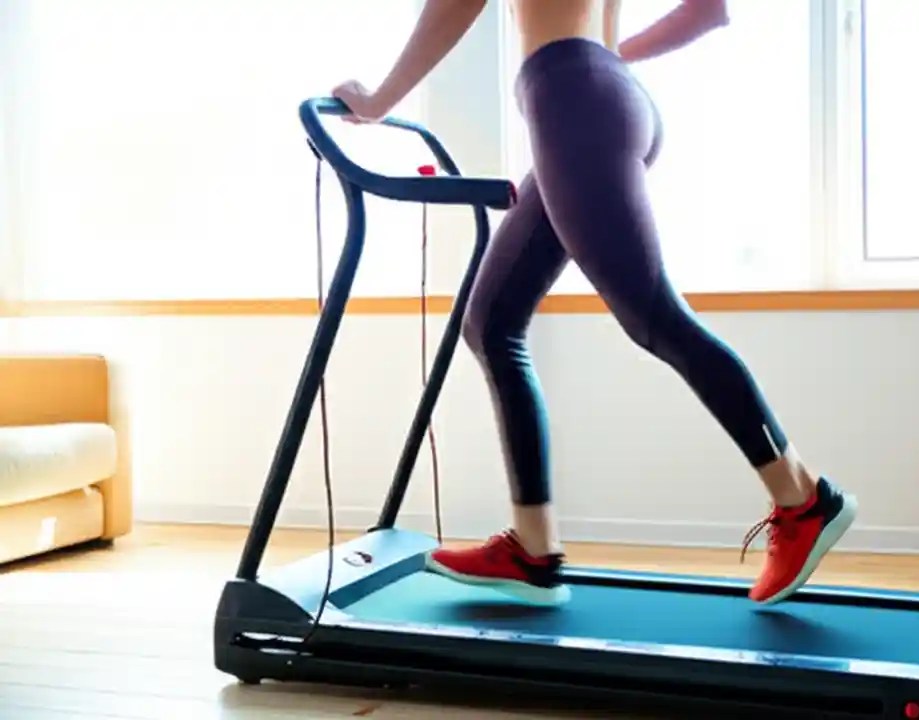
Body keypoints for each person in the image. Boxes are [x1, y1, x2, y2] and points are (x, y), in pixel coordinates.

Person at [332, 0, 855, 607]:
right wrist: (607, 60)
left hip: (570, 95)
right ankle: (533, 549)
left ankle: (803, 499)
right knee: (492, 323)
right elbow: (708, 11)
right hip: (599, 90)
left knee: (655, 317)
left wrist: (378, 101)